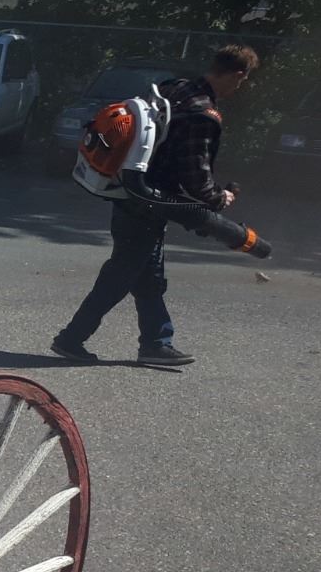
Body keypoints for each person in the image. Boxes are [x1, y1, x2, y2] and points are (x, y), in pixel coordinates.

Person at [52, 44, 259, 366]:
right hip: (150, 202)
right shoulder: (202, 113)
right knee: (120, 275)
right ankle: (71, 338)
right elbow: (195, 175)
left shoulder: (173, 87)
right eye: (242, 81)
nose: (239, 88)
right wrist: (220, 199)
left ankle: (156, 342)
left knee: (148, 277)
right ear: (237, 74)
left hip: (129, 191)